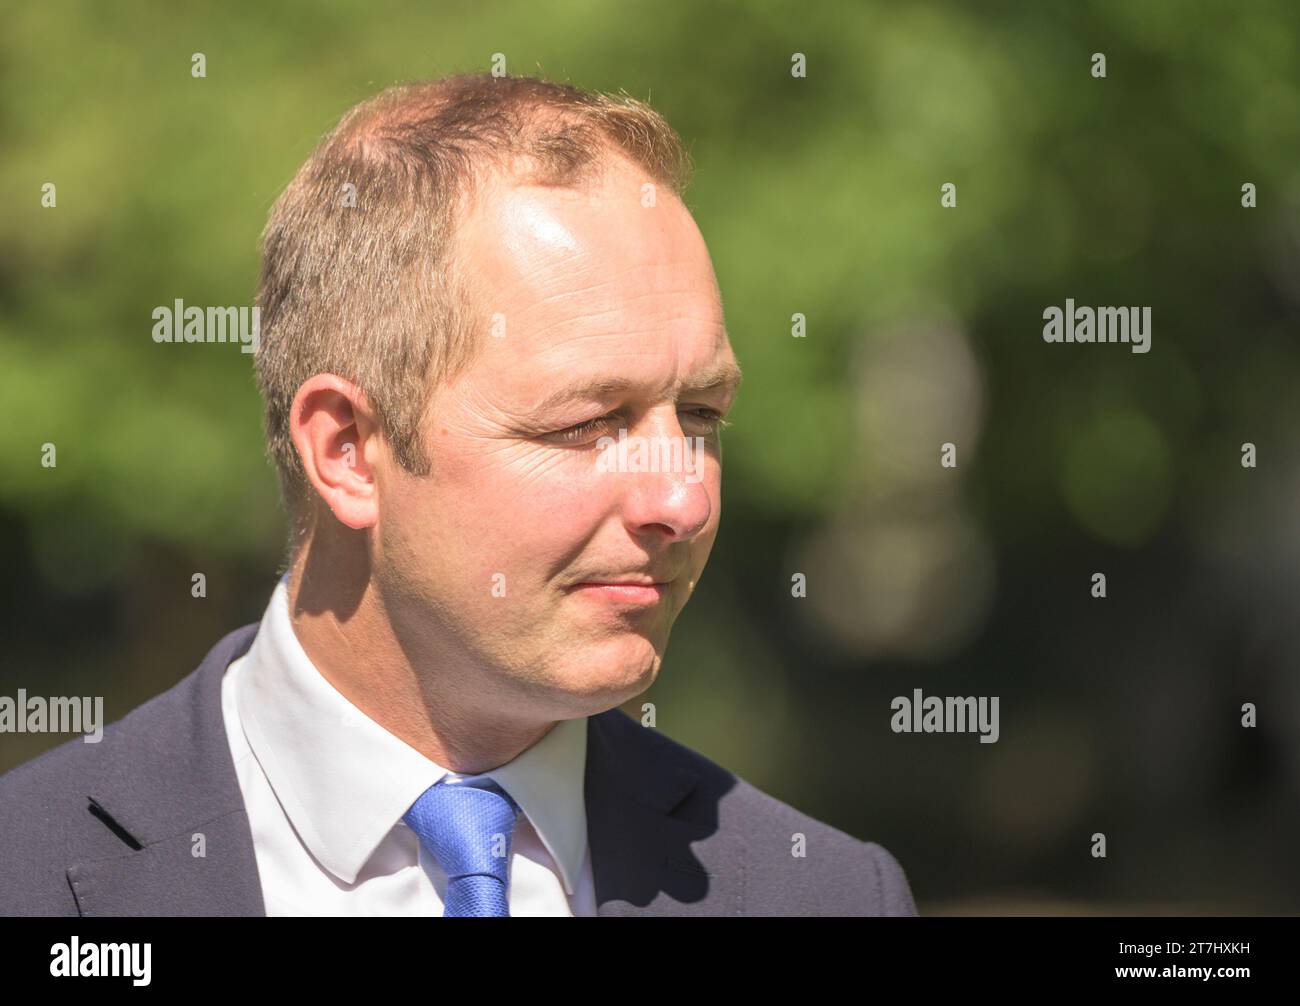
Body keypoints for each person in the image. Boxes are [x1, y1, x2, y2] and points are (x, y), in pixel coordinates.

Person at [0, 73, 917, 917]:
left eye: (702, 414)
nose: (680, 501)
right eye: (586, 424)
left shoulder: (825, 893)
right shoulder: (31, 876)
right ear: (349, 451)